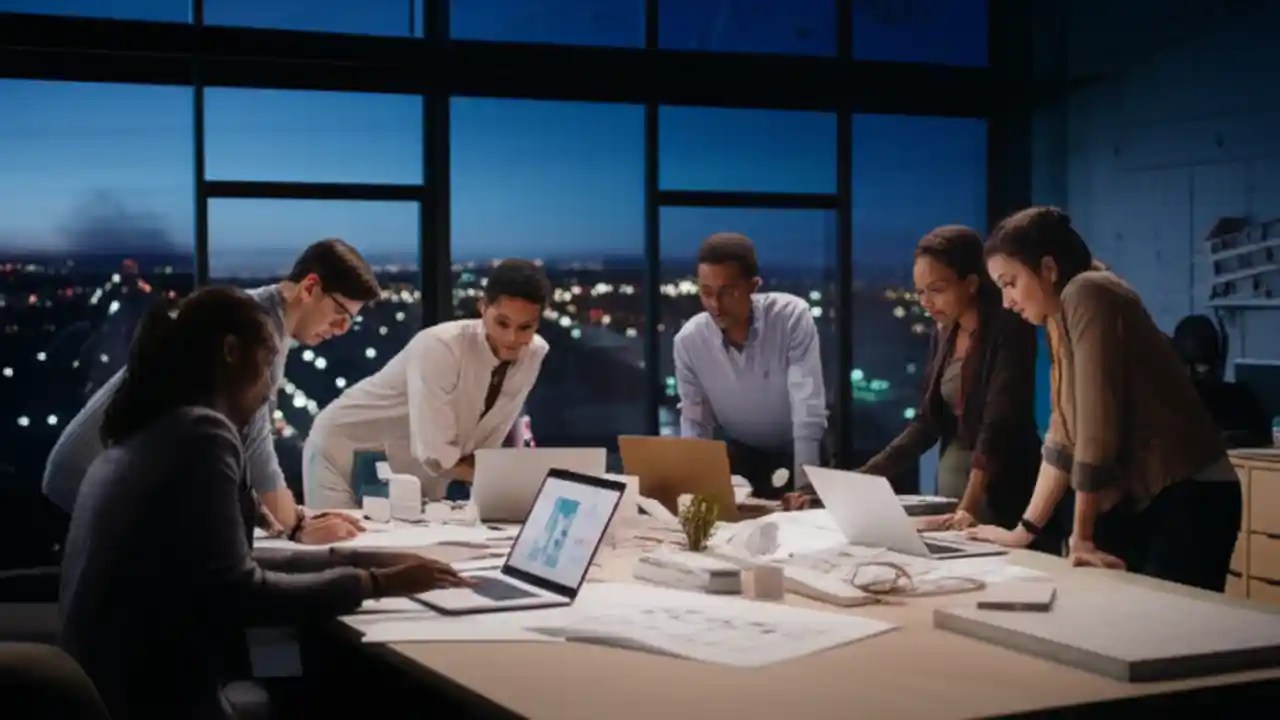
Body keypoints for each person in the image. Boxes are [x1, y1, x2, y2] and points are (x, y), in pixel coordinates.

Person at [58, 287, 472, 720]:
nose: (268, 389)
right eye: (267, 364)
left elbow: (236, 568)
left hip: (114, 689)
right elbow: (242, 593)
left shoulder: (148, 431)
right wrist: (377, 584)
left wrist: (372, 561)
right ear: (232, 352)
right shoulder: (201, 435)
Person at [973, 206, 1241, 592]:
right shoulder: (1056, 313)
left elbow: (1096, 428)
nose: (1006, 301)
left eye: (1010, 282)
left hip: (1192, 492)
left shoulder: (1088, 292)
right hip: (1156, 497)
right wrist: (1023, 531)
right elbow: (1063, 433)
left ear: (1048, 269)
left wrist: (1083, 536)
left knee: (1172, 635)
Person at [43, 238, 379, 544]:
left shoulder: (257, 312)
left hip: (99, 475)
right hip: (91, 480)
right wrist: (297, 526)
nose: (341, 330)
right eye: (340, 314)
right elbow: (255, 445)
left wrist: (285, 515)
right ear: (310, 288)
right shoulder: (255, 328)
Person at [781, 226, 1057, 546]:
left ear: (970, 283)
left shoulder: (1009, 330)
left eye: (937, 289)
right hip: (955, 496)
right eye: (920, 291)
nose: (926, 302)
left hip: (1004, 492)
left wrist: (969, 506)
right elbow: (926, 424)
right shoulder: (944, 332)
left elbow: (998, 426)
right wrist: (854, 482)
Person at [303, 259, 551, 508]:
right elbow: (436, 455)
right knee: (341, 543)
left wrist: (506, 484)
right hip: (345, 448)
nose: (512, 337)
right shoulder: (440, 346)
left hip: (412, 472)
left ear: (538, 323)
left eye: (525, 327)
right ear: (483, 308)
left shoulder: (533, 354)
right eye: (502, 323)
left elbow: (486, 446)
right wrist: (513, 481)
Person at [673, 232, 828, 499]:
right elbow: (695, 424)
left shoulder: (790, 317)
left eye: (727, 292)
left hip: (802, 449)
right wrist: (694, 492)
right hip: (742, 454)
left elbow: (808, 409)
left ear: (753, 286)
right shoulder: (689, 341)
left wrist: (805, 486)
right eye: (706, 293)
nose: (715, 306)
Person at [1171, 314, 1271, 448]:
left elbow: (1263, 439)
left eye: (1201, 368)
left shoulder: (1240, 399)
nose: (1192, 376)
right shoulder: (1164, 404)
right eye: (1185, 367)